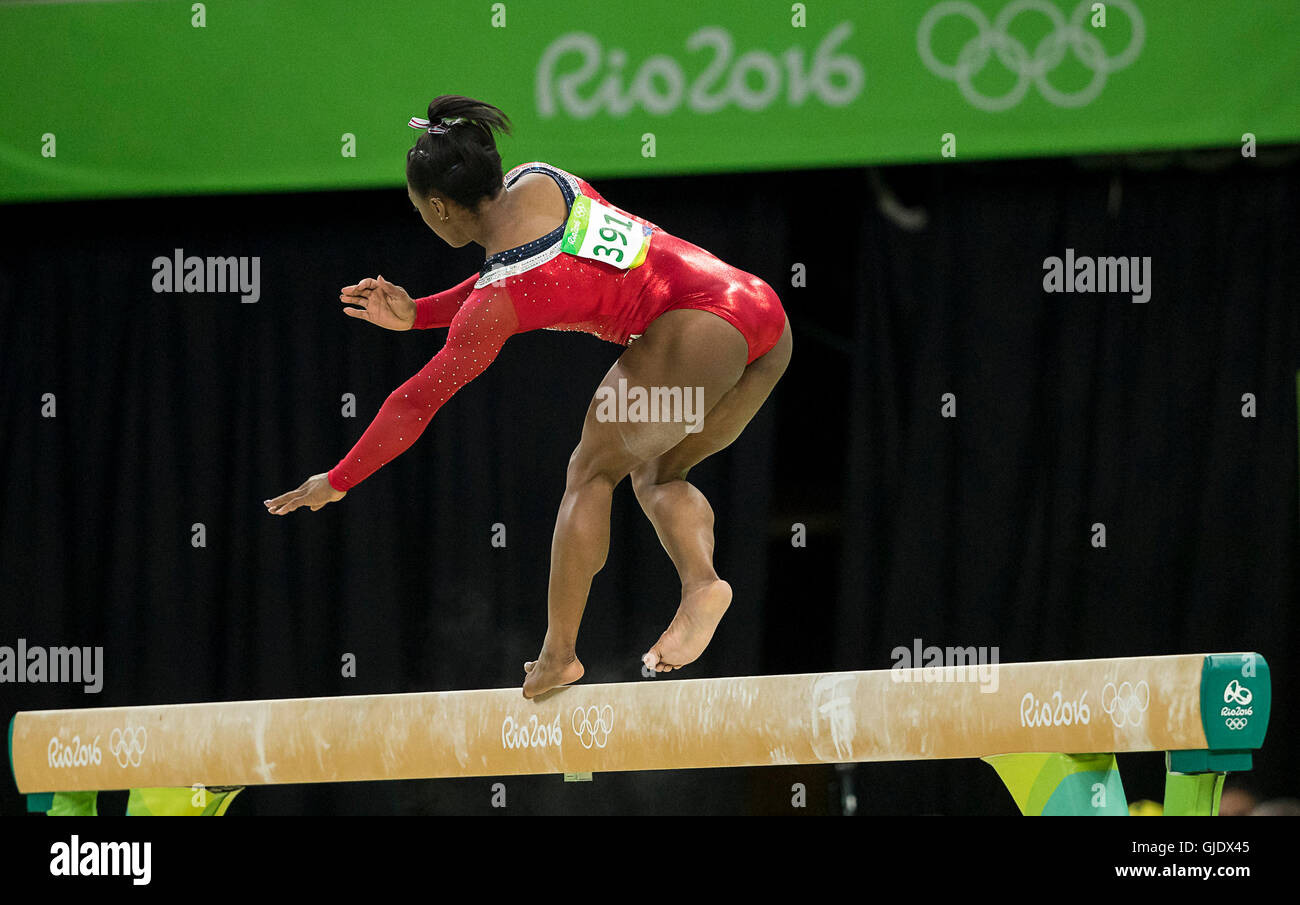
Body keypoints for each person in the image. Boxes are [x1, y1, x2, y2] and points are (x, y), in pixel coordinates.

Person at [265, 95, 792, 698]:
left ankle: (559, 655)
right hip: (761, 316)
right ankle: (701, 585)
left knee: (590, 473)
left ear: (439, 207)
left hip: (697, 328)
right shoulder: (538, 178)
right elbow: (508, 271)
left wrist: (338, 479)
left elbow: (416, 401)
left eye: (419, 210)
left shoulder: (497, 300)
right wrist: (418, 315)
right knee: (657, 471)